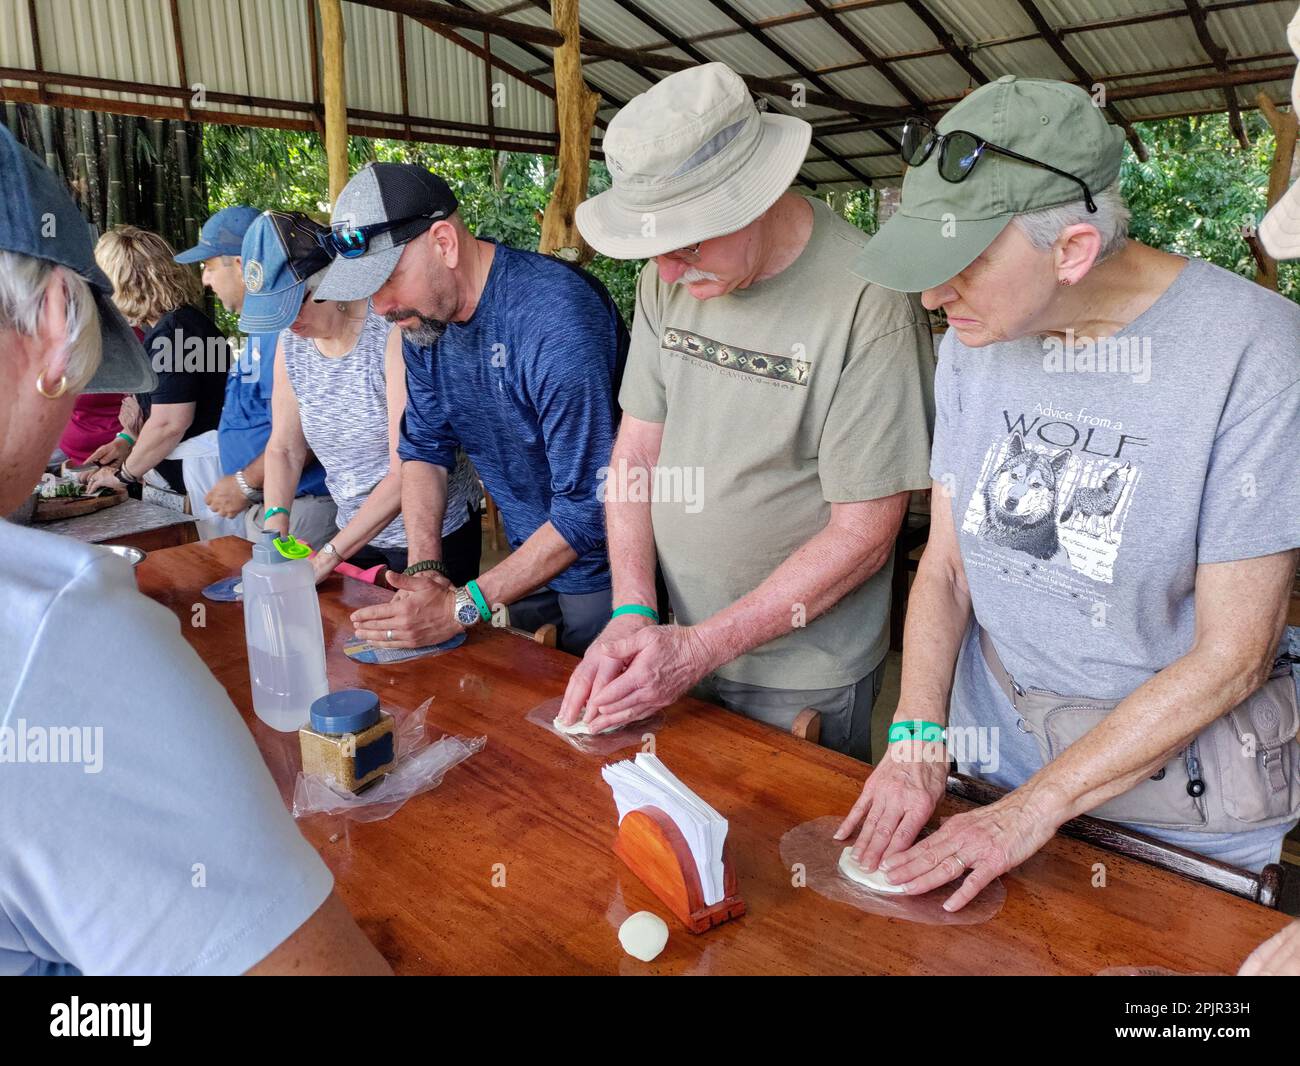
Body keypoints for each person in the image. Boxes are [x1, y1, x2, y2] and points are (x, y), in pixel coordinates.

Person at [835, 75, 1300, 911]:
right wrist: (914, 734)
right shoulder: (974, 342)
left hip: (1176, 803)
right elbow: (944, 567)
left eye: (962, 268)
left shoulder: (1255, 354)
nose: (935, 298)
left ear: (1073, 250)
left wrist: (1031, 813)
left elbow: (1234, 657)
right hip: (992, 756)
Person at [0, 124, 388, 975]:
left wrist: (307, 546)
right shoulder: (55, 628)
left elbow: (409, 461)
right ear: (63, 322)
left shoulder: (379, 339)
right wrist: (280, 531)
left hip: (383, 537)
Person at [555, 62, 936, 757]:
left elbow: (866, 533)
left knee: (781, 851)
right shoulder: (665, 279)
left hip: (802, 672)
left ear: (757, 198)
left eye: (685, 245)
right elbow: (636, 454)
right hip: (671, 635)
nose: (665, 271)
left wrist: (702, 646)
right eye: (653, 250)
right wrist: (635, 609)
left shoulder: (866, 301)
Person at [313, 163, 628, 654]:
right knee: (527, 688)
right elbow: (424, 449)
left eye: (388, 279)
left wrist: (460, 606)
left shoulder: (554, 318)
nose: (380, 308)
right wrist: (426, 570)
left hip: (605, 557)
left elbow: (588, 507)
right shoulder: (423, 325)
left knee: (598, 713)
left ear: (444, 243)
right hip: (526, 551)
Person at [241, 210, 480, 584]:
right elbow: (284, 447)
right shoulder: (293, 343)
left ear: (326, 284)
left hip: (430, 532)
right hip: (353, 528)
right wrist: (276, 525)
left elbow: (408, 465)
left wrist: (330, 555)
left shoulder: (388, 329)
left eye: (293, 306)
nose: (288, 323)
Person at [173, 205, 337, 547]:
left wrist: (246, 482)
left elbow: (309, 429)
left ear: (239, 263)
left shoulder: (295, 325)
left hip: (302, 505)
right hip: (275, 506)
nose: (204, 278)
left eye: (208, 266)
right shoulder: (265, 330)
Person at [83, 226, 226, 499]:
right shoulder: (176, 323)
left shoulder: (175, 333)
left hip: (201, 471)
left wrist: (123, 474)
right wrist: (124, 442)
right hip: (192, 467)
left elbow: (170, 423)